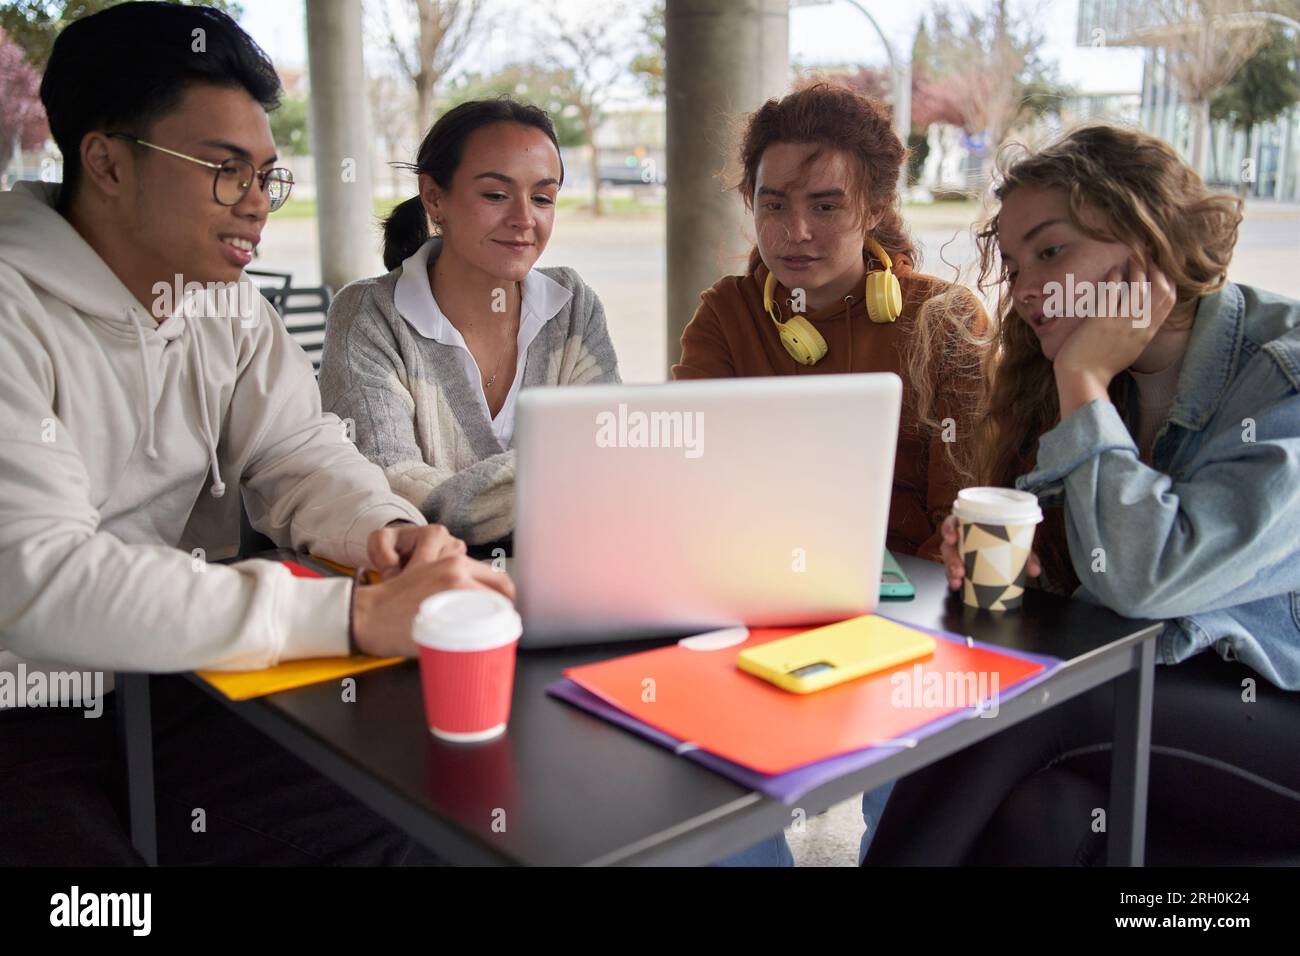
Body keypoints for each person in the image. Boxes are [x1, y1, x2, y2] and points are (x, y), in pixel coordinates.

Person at [0, 2, 510, 866]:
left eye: (267, 176)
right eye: (223, 170)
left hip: (179, 670)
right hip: (25, 705)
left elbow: (295, 452)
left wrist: (385, 533)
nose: (255, 206)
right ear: (106, 162)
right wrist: (350, 613)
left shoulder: (225, 302)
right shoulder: (15, 309)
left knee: (429, 820)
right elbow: (37, 579)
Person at [865, 124, 1300, 865]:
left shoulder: (1280, 373)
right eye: (1014, 261)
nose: (1026, 288)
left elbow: (1148, 578)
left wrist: (1085, 382)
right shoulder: (1071, 375)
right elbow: (1097, 586)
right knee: (1043, 815)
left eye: (1052, 250)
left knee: (1039, 698)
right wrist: (1037, 564)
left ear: (1148, 237)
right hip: (1161, 704)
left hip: (1274, 715)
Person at [672, 81, 987, 561]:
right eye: (774, 205)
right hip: (756, 568)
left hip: (910, 590)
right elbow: (690, 484)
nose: (795, 232)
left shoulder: (947, 320)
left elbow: (963, 518)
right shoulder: (726, 314)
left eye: (825, 206)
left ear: (875, 209)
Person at [319, 98, 622, 546]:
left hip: (565, 573)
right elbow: (388, 485)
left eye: (543, 198)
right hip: (429, 590)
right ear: (434, 197)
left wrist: (592, 468)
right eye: (495, 195)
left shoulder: (572, 307)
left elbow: (609, 456)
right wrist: (564, 474)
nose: (524, 219)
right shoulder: (369, 315)